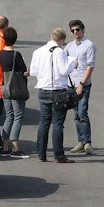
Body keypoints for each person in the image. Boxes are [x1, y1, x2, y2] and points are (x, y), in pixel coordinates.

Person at [29, 27, 77, 163]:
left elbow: (32, 71)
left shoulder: (38, 52)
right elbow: (63, 71)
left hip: (43, 90)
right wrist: (73, 63)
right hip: (57, 91)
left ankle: (41, 154)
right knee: (57, 124)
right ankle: (59, 155)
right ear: (62, 40)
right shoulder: (60, 52)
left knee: (44, 123)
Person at [66, 19, 97, 154]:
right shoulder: (69, 46)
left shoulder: (89, 45)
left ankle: (87, 143)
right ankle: (80, 142)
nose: (75, 32)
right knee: (76, 115)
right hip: (71, 85)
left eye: (77, 29)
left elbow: (90, 66)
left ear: (83, 30)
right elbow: (62, 59)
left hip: (83, 84)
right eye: (72, 30)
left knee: (83, 113)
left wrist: (81, 84)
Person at [0, 27, 27, 156]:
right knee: (18, 117)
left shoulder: (1, 53)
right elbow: (24, 71)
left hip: (5, 86)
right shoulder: (16, 54)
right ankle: (15, 148)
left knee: (9, 116)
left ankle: (4, 147)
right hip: (16, 88)